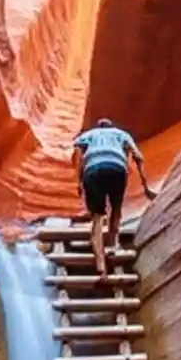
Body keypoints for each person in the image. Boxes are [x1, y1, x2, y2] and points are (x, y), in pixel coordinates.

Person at [71, 118, 151, 277]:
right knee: (116, 209)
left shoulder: (87, 136)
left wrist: (78, 183)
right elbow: (138, 156)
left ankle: (101, 265)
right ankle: (113, 246)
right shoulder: (121, 134)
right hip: (117, 168)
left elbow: (78, 159)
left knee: (97, 218)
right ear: (111, 126)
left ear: (98, 126)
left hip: (92, 169)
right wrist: (145, 186)